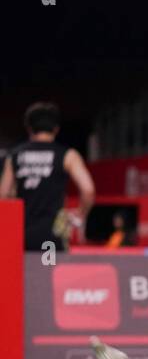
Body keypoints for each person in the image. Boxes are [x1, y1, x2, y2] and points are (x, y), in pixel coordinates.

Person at [0, 102, 96, 253]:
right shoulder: (68, 155)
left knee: (27, 276)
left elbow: (4, 196)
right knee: (48, 272)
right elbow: (88, 190)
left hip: (22, 234)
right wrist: (80, 215)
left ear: (29, 128)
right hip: (53, 236)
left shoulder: (14, 156)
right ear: (56, 129)